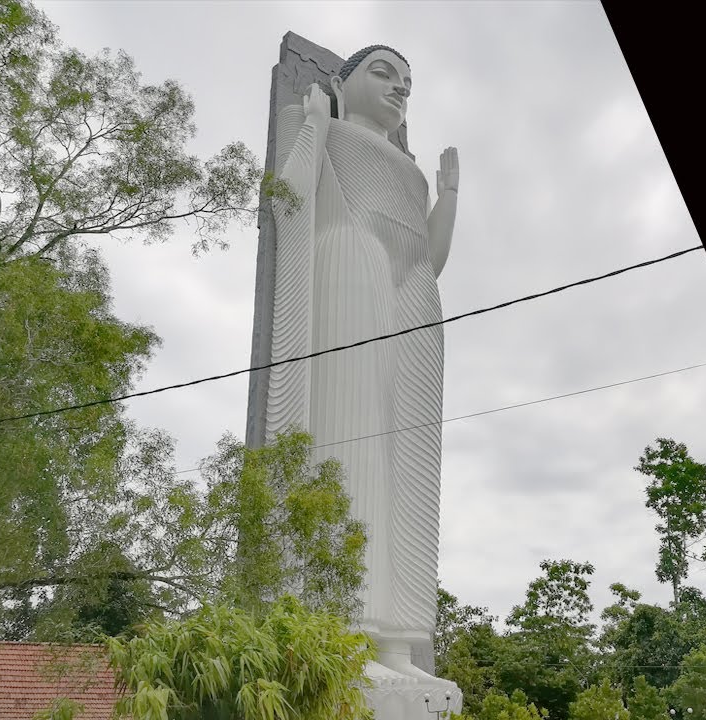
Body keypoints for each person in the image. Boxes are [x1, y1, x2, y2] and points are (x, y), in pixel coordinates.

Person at [265, 44, 459, 682]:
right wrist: (316, 124)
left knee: (407, 464)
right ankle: (344, 631)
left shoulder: (412, 172)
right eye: (384, 73)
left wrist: (449, 191)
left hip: (409, 294)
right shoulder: (329, 129)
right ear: (344, 82)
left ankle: (399, 642)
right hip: (349, 266)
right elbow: (289, 196)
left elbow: (431, 257)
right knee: (347, 450)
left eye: (409, 81)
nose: (401, 88)